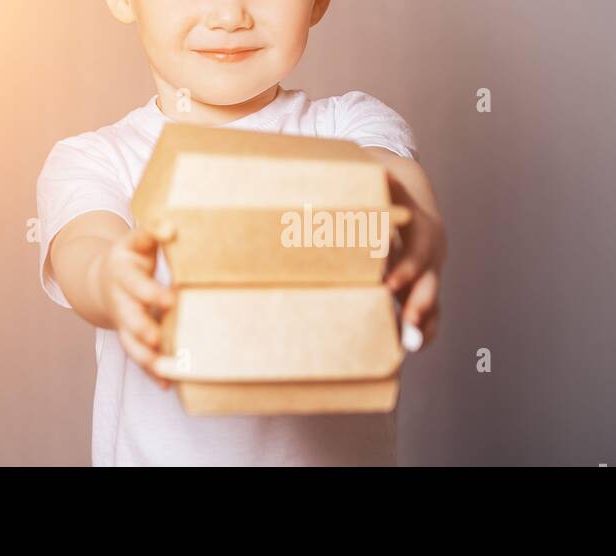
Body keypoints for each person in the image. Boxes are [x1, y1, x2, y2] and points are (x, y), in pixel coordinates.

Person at [36, 0, 445, 465]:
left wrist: (417, 221)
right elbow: (85, 246)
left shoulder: (349, 126)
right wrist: (110, 278)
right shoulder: (97, 160)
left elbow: (391, 178)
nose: (229, 16)